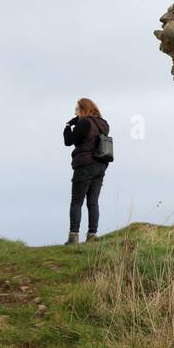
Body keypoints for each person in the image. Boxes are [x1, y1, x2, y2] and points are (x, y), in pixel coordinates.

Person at [63, 98, 110, 244]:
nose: (75, 113)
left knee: (76, 201)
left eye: (76, 110)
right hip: (100, 165)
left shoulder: (84, 122)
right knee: (93, 202)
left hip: (85, 165)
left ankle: (73, 236)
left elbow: (69, 141)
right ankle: (92, 235)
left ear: (83, 109)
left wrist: (68, 125)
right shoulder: (104, 124)